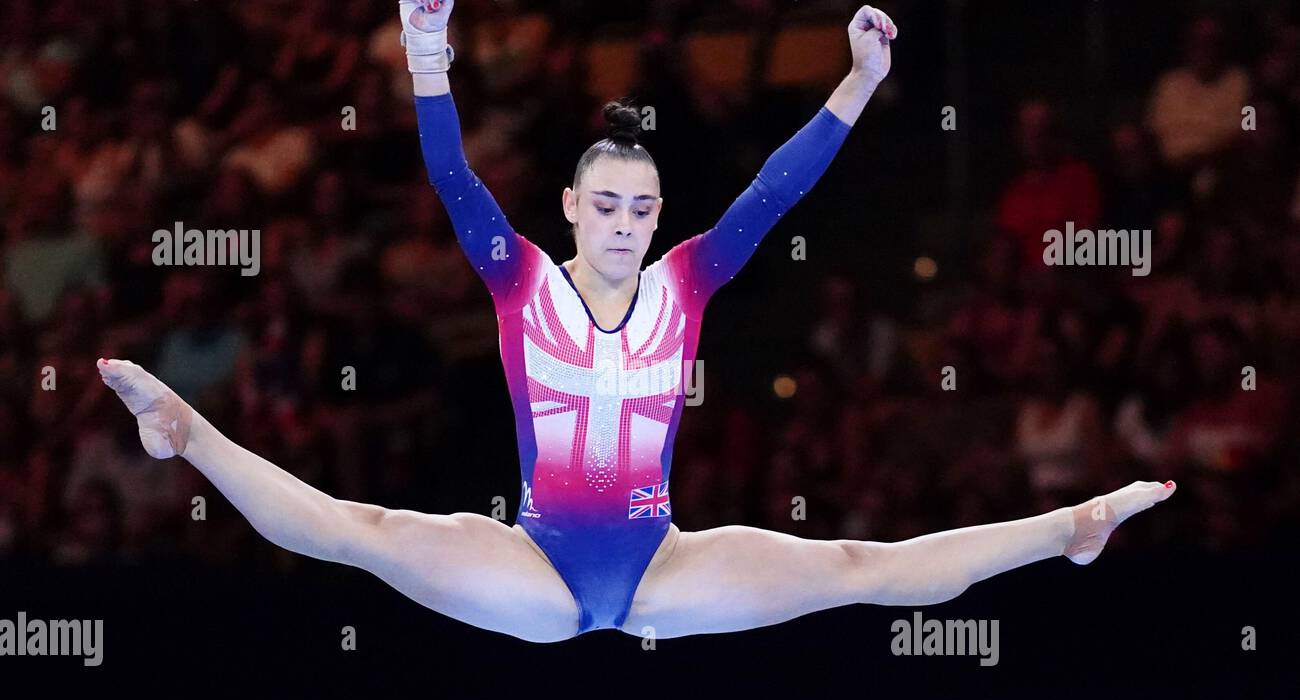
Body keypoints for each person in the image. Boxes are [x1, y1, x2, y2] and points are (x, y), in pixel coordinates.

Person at [99, 3, 1175, 644]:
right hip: (534, 565)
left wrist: (857, 81)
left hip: (662, 563)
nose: (623, 222)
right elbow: (452, 176)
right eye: (604, 204)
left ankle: (1068, 530)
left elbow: (771, 193)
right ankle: (185, 432)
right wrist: (427, 56)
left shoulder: (689, 281)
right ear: (570, 207)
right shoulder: (516, 275)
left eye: (642, 206)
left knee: (858, 566)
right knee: (359, 532)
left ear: (660, 215)